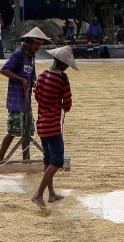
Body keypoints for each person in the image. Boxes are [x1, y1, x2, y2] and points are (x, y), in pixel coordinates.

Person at [0, 27, 50, 165]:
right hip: (16, 101)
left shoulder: (31, 56)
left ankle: (26, 159)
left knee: (27, 132)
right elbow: (4, 70)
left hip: (26, 101)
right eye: (37, 44)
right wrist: (21, 80)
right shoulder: (18, 55)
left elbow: (32, 75)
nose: (38, 47)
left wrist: (34, 84)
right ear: (29, 42)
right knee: (13, 131)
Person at [31, 45, 76, 209]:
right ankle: (38, 194)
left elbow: (37, 96)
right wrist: (60, 105)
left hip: (41, 124)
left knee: (48, 160)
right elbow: (68, 103)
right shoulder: (62, 78)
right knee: (57, 162)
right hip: (53, 126)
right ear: (63, 63)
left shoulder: (42, 75)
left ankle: (51, 194)